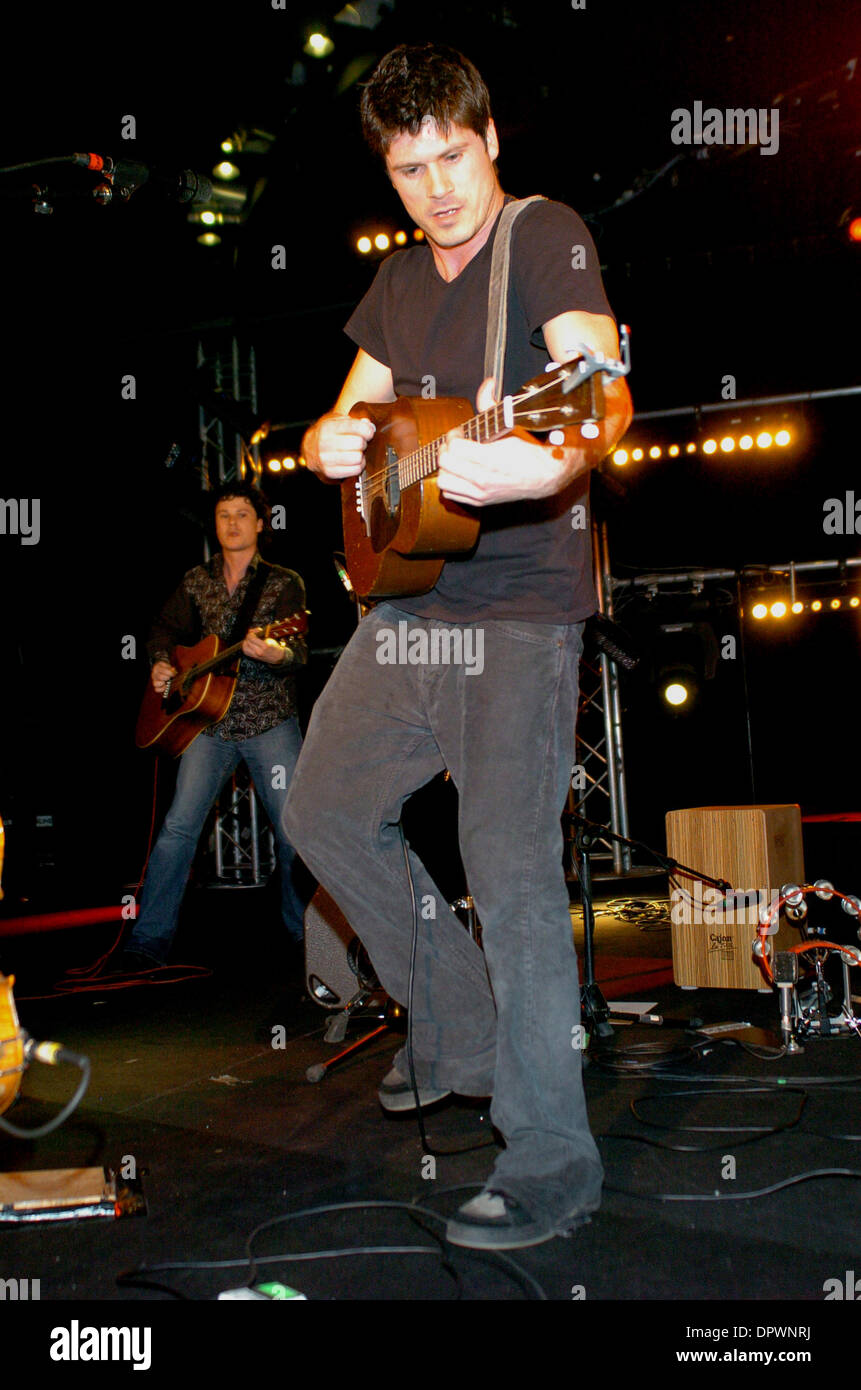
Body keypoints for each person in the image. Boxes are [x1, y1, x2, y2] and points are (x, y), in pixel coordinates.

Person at [284, 42, 633, 1250]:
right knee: (320, 809)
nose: (437, 187)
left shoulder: (543, 235)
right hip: (410, 599)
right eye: (408, 167)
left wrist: (552, 457)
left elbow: (597, 382)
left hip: (522, 612)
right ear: (387, 173)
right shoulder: (392, 283)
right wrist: (330, 443)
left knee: (512, 869)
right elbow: (351, 414)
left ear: (489, 139)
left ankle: (548, 1160)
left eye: (453, 156)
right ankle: (460, 1032)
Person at [124, 483, 308, 968]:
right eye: (224, 514)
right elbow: (163, 630)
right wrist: (162, 663)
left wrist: (275, 652)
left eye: (243, 514)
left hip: (268, 720)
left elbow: (298, 654)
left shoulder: (283, 582)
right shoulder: (196, 580)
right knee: (178, 829)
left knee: (295, 832)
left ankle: (304, 935)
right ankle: (148, 941)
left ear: (261, 523)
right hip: (208, 725)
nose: (232, 523)